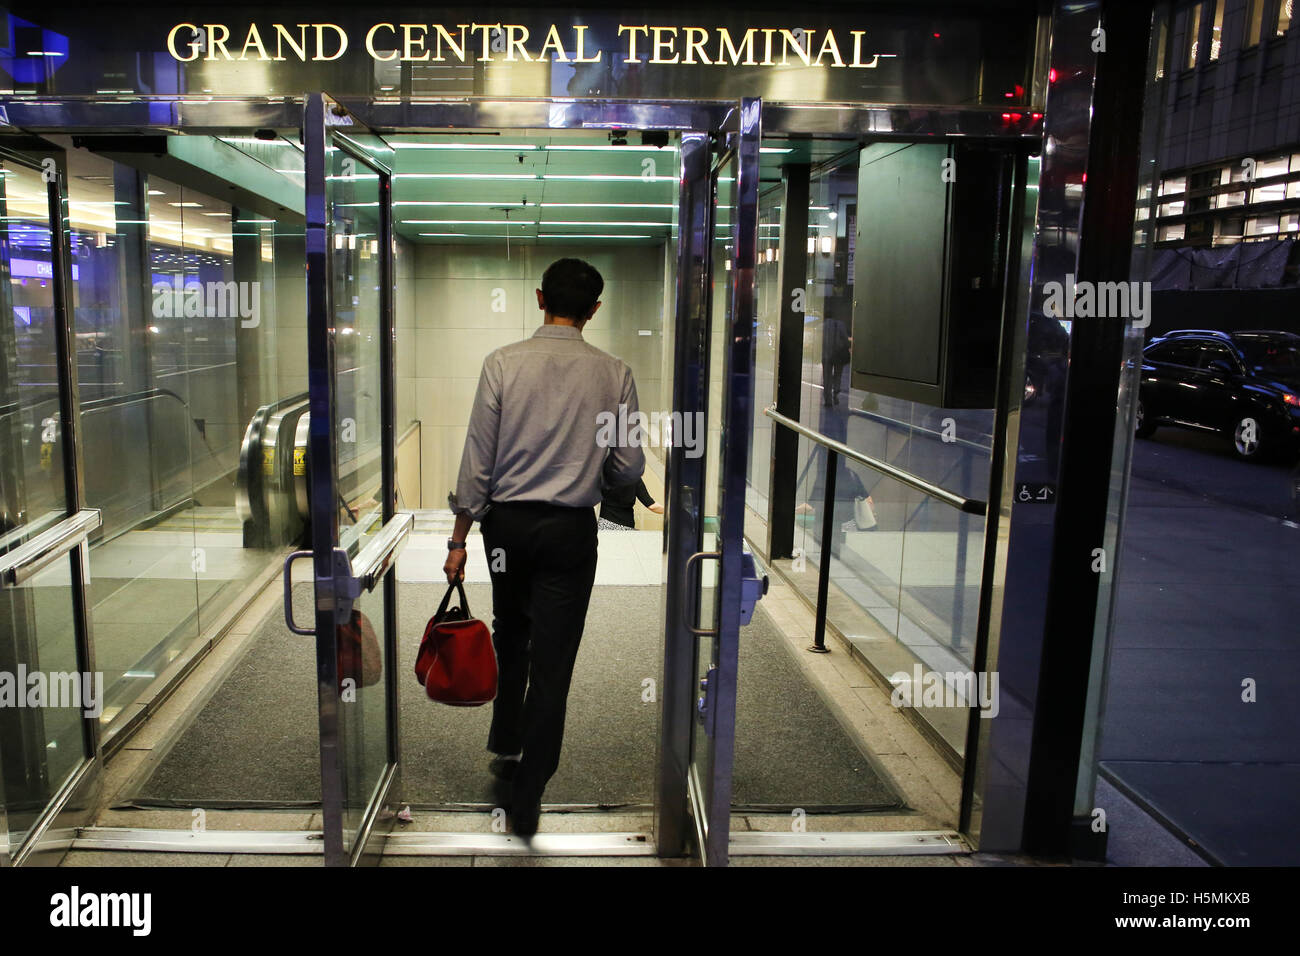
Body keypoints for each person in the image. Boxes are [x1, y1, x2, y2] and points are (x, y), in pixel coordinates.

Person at [444, 257, 645, 838]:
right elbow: (629, 464)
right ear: (594, 310)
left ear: (538, 299)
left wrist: (459, 538)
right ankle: (529, 788)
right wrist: (595, 477)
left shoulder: (501, 363)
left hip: (505, 528)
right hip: (568, 532)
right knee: (554, 659)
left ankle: (506, 743)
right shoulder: (615, 374)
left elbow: (477, 461)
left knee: (512, 631)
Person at [598, 478, 663, 531]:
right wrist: (671, 510)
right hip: (625, 527)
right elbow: (652, 506)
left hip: (603, 524)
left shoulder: (603, 475)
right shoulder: (635, 479)